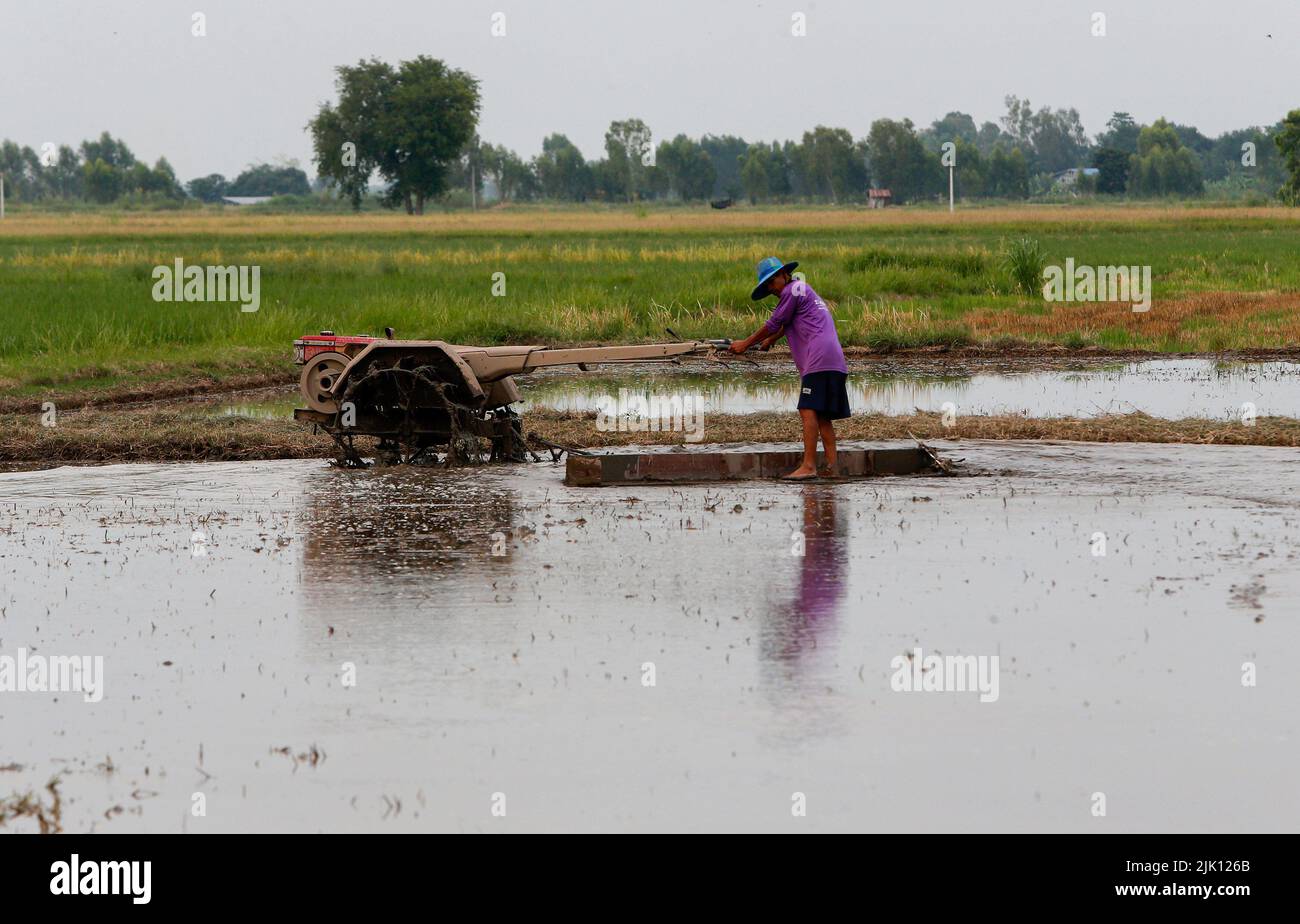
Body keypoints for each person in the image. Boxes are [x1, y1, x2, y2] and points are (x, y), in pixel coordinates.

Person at [730, 257, 850, 480]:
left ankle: (809, 466)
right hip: (834, 359)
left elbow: (774, 323)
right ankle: (833, 469)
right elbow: (787, 324)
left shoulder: (792, 290)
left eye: (772, 281)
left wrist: (745, 344)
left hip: (819, 359)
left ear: (784, 275)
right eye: (767, 285)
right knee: (822, 416)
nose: (770, 288)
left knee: (807, 409)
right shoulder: (802, 289)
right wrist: (771, 340)